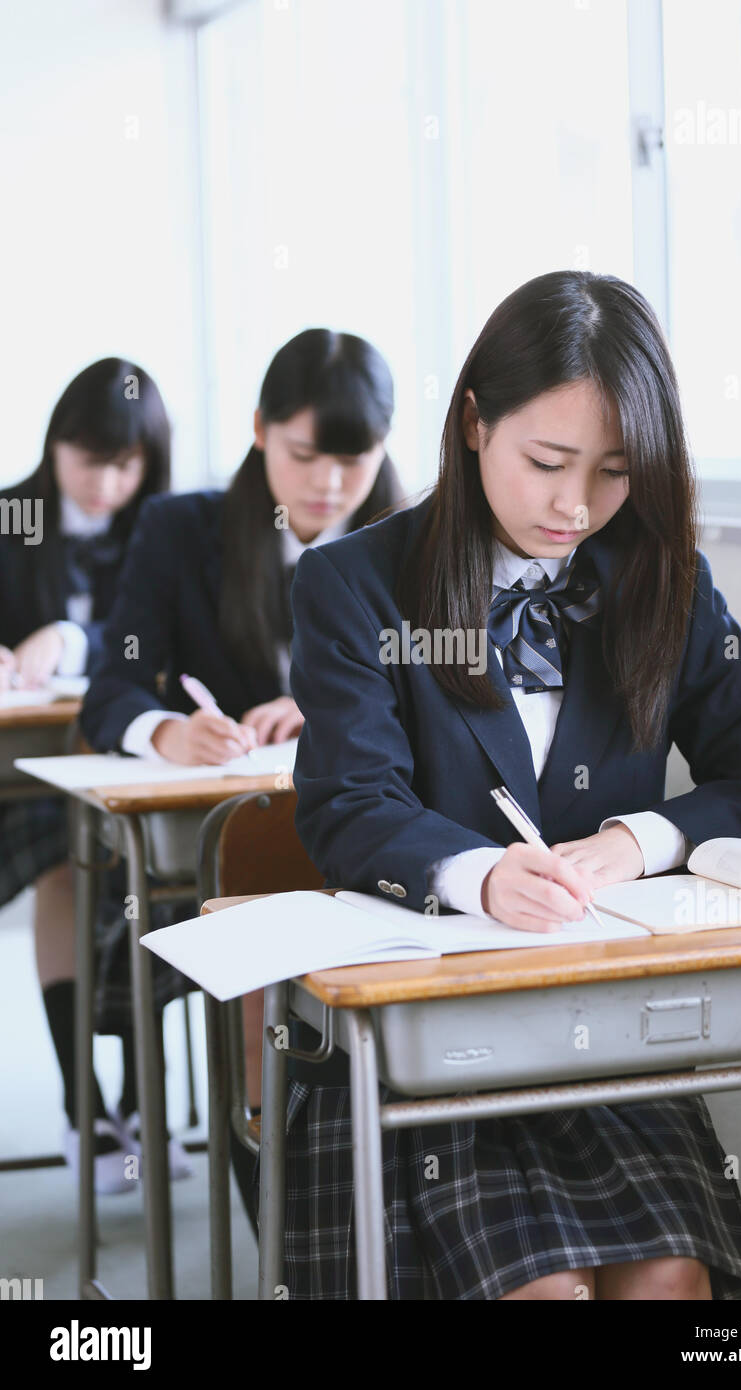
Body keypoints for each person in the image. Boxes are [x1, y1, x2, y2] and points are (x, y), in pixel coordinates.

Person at [284, 270, 741, 1300]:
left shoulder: (661, 582)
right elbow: (348, 804)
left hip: (603, 1042)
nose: (576, 505)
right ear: (470, 423)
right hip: (428, 1046)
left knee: (674, 1282)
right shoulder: (351, 582)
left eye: (616, 471)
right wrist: (478, 874)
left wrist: (637, 838)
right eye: (545, 462)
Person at [80, 327, 405, 1223]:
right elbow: (109, 687)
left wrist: (337, 705)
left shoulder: (409, 543)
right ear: (260, 429)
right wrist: (166, 731)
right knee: (265, 983)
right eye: (306, 454)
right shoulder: (179, 530)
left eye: (357, 458)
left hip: (386, 849)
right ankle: (285, 1222)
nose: (331, 484)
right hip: (237, 847)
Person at [0, 357, 173, 1192]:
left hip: (127, 754)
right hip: (26, 775)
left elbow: (163, 641)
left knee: (140, 872)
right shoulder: (11, 517)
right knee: (64, 862)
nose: (107, 481)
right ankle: (85, 1106)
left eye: (127, 463)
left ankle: (144, 1108)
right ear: (56, 446)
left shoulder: (168, 531)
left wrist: (72, 643)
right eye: (90, 459)